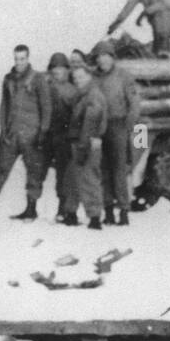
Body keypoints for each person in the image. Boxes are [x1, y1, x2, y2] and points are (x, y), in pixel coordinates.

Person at [0, 45, 52, 222]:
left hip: (31, 135)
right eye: (16, 59)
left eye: (22, 59)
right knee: (0, 169)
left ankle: (31, 209)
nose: (19, 62)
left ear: (28, 58)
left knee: (34, 171)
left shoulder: (38, 79)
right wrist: (3, 130)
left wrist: (43, 131)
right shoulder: (8, 79)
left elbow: (46, 107)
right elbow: (4, 106)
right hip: (11, 135)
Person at [93, 40, 140, 225]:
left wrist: (128, 126)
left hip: (118, 126)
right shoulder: (94, 78)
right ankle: (109, 211)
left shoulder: (124, 76)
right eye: (99, 56)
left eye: (106, 56)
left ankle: (124, 212)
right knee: (103, 171)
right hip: (99, 129)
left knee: (119, 170)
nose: (102, 60)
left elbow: (134, 103)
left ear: (112, 58)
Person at [68, 62, 108, 230]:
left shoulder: (93, 95)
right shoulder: (83, 94)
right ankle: (72, 213)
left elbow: (90, 123)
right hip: (81, 142)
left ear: (89, 76)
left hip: (87, 143)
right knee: (74, 178)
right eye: (75, 78)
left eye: (81, 77)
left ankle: (94, 218)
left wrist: (84, 147)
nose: (78, 80)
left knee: (89, 179)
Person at [44, 52, 79, 224]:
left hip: (65, 137)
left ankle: (63, 207)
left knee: (64, 174)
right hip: (49, 135)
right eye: (54, 68)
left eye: (61, 68)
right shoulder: (46, 87)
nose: (58, 71)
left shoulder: (72, 90)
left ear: (67, 70)